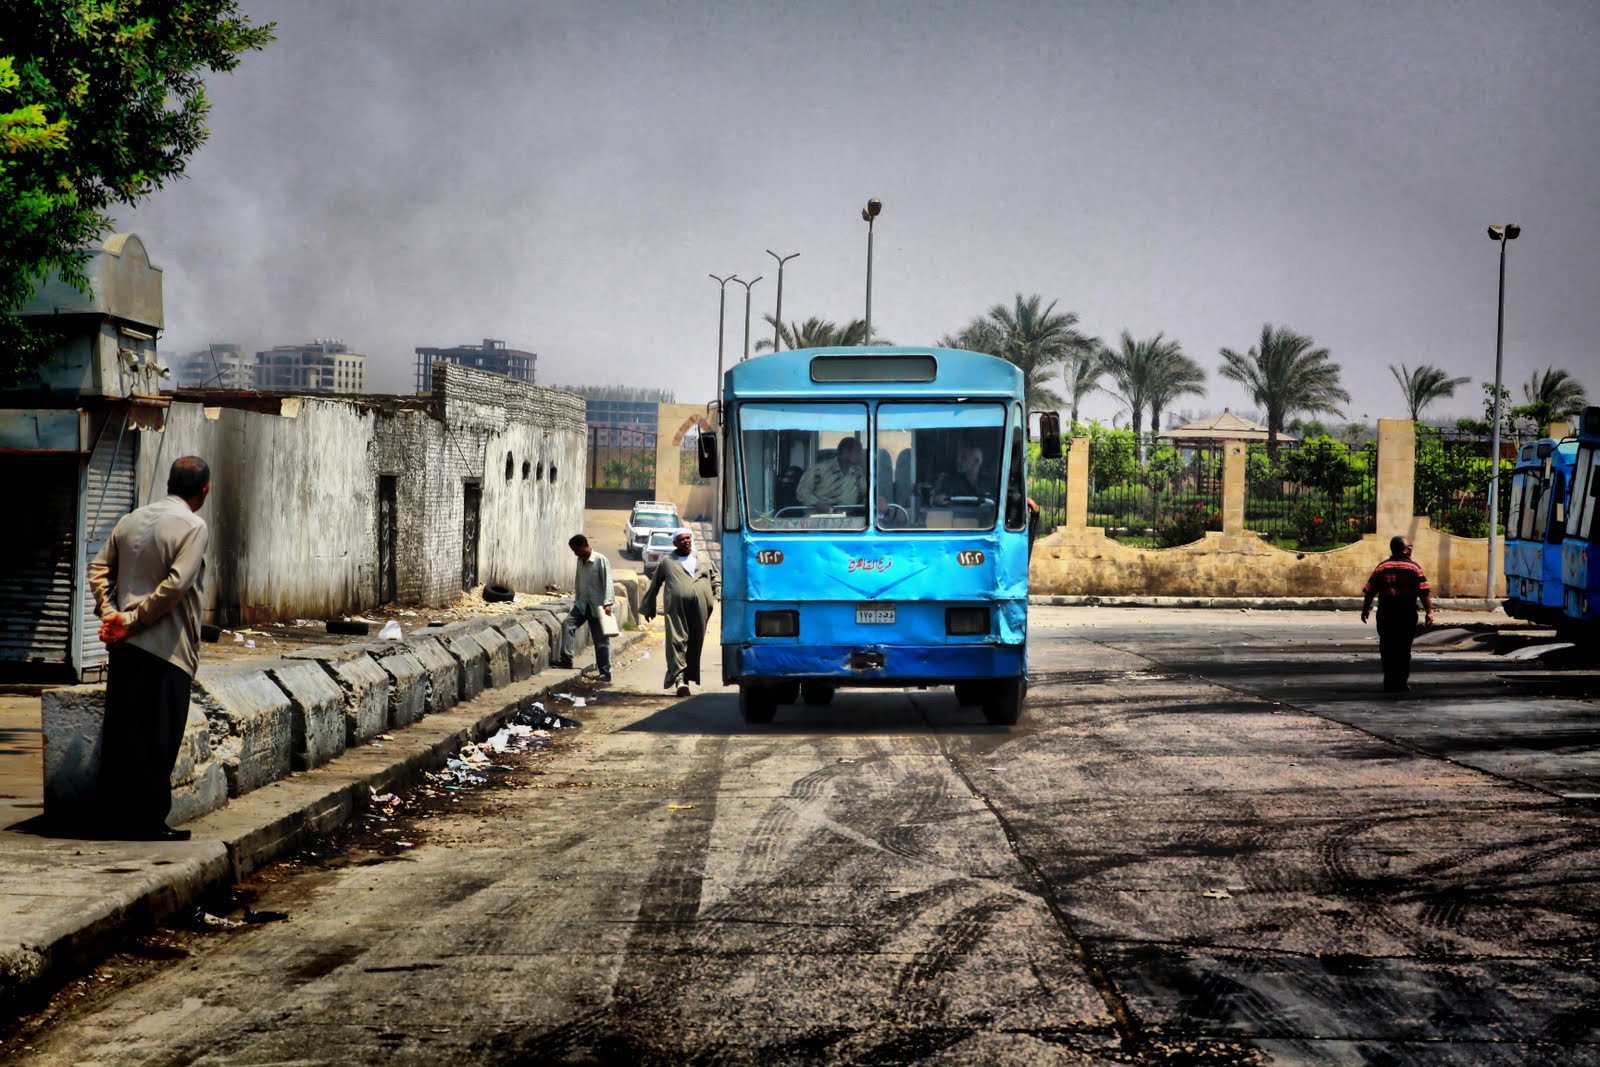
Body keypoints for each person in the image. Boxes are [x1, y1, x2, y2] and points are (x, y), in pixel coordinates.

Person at [86, 456, 211, 841]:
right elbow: (175, 586)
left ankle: (116, 817)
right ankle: (148, 821)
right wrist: (132, 620)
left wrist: (111, 613)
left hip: (125, 646)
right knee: (158, 737)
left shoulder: (131, 519)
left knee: (124, 732)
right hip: (166, 647)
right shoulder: (193, 526)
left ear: (170, 483)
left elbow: (98, 569)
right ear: (204, 490)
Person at [640, 529, 720, 697]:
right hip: (676, 607)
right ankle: (679, 680)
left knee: (695, 641)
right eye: (681, 539)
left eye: (687, 538)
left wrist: (720, 593)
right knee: (677, 639)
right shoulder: (668, 561)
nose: (686, 541)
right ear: (675, 543)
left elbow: (715, 578)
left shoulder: (703, 558)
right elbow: (655, 584)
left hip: (701, 607)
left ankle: (688, 677)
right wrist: (648, 607)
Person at [1360, 535, 1435, 693]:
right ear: (1404, 550)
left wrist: (1365, 609)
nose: (1411, 549)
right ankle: (1401, 682)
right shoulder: (1414, 568)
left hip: (1386, 613)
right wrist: (1429, 611)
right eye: (1410, 546)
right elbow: (1424, 592)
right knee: (1404, 649)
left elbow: (1370, 590)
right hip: (1407, 613)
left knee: (1387, 648)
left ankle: (1389, 681)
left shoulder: (1382, 567)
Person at [556, 533, 614, 682]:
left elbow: (608, 582)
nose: (575, 554)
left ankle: (605, 673)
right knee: (568, 624)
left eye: (576, 550)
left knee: (600, 641)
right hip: (582, 604)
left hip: (598, 606)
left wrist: (608, 603)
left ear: (584, 546)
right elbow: (578, 581)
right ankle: (566, 659)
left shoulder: (600, 560)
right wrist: (577, 599)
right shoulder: (580, 561)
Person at [795, 437, 866, 510]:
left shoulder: (857, 472)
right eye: (857, 451)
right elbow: (802, 492)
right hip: (819, 515)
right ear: (845, 451)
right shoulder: (819, 469)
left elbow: (865, 492)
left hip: (850, 515)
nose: (860, 455)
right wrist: (820, 506)